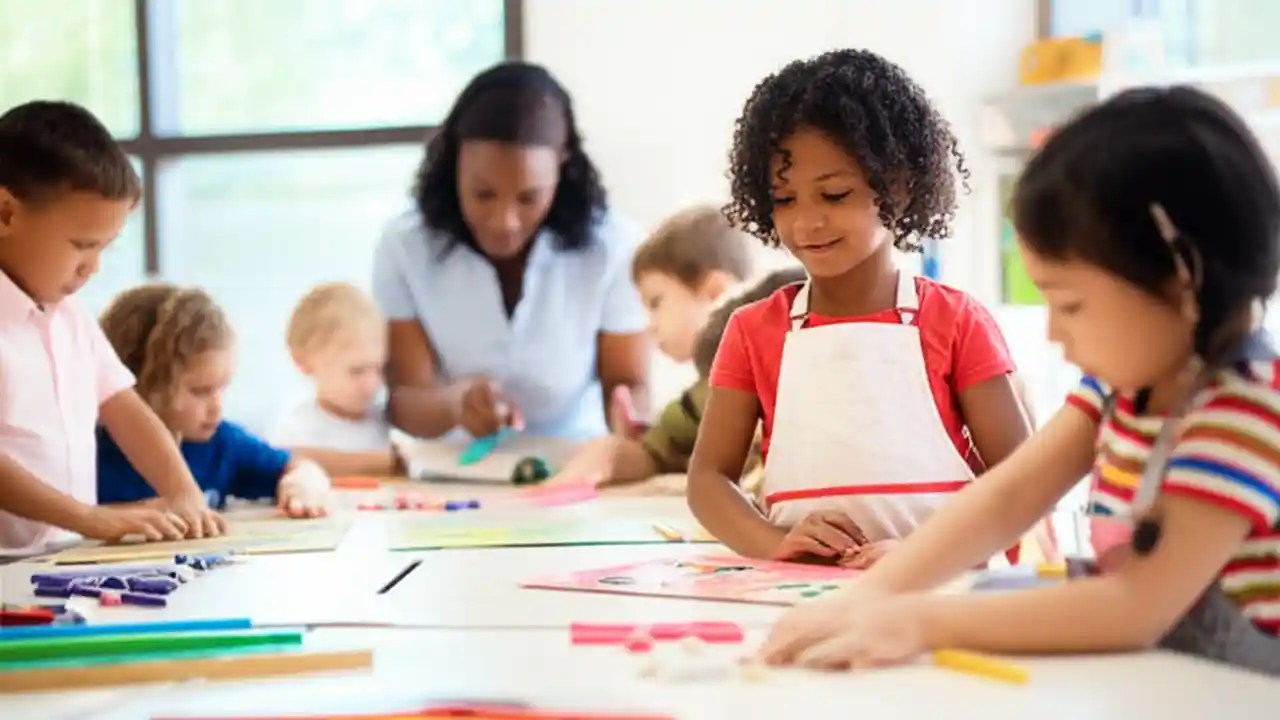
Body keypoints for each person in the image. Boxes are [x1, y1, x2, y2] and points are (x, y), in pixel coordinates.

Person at [760, 86, 1280, 675]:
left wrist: (917, 620)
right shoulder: (1116, 392)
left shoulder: (1241, 415)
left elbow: (1137, 607)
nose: (1056, 336)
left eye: (1070, 304)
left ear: (1182, 276)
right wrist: (865, 599)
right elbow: (1007, 497)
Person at [688, 49, 1032, 569]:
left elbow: (1022, 479)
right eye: (784, 199)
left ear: (898, 185)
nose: (807, 223)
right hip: (796, 593)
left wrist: (925, 553)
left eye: (834, 194)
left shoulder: (957, 322)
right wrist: (770, 541)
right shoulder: (753, 330)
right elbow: (708, 481)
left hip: (939, 587)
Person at [374, 61, 648, 443]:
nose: (505, 221)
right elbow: (404, 400)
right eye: (483, 194)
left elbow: (626, 384)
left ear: (563, 167)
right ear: (454, 163)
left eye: (528, 197)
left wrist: (633, 422)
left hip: (572, 460)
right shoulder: (405, 246)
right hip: (452, 467)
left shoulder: (614, 247)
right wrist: (454, 405)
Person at [0, 101, 222, 548]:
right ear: (6, 213)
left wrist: (184, 494)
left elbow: (123, 406)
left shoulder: (71, 317)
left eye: (106, 248)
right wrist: (91, 519)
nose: (93, 268)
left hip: (58, 559)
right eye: (83, 246)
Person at [551, 204, 755, 485]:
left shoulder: (727, 384)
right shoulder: (707, 390)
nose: (651, 325)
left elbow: (659, 450)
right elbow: (664, 447)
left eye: (656, 303)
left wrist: (623, 452)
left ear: (714, 293)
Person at [97, 284, 332, 518]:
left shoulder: (221, 444)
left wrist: (302, 484)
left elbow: (300, 466)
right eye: (200, 391)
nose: (217, 406)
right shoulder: (90, 453)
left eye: (222, 388)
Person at [270, 282, 400, 477]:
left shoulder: (388, 422)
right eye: (357, 371)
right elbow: (282, 464)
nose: (372, 384)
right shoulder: (296, 428)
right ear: (304, 362)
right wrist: (386, 463)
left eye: (380, 369)